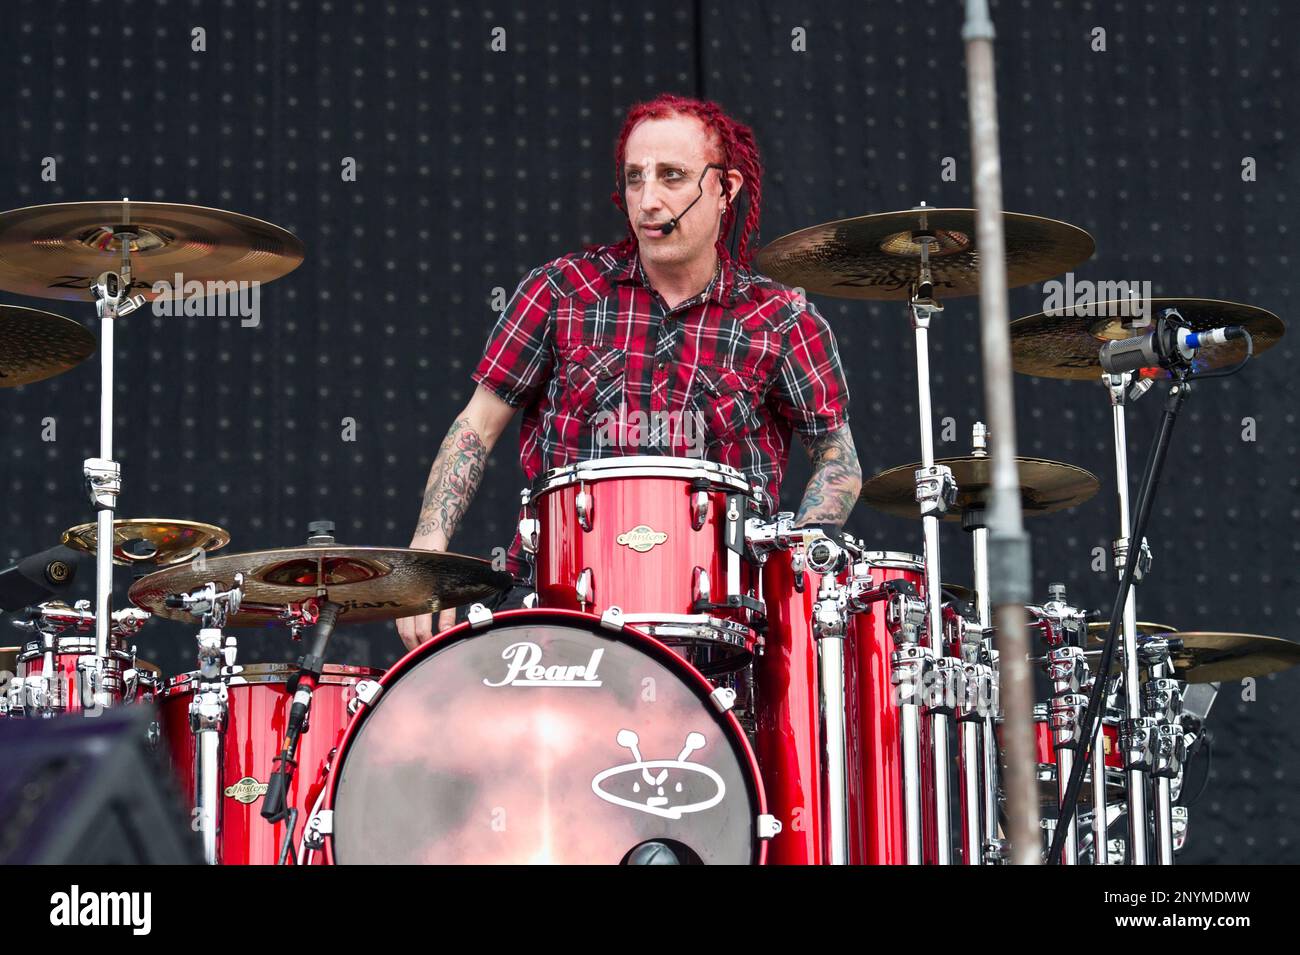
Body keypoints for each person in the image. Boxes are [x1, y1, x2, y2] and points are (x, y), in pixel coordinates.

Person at [396, 93, 861, 651]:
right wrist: (428, 550)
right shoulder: (560, 291)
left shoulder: (782, 317)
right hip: (559, 603)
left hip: (726, 621)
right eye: (635, 178)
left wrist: (796, 563)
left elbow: (839, 458)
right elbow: (477, 424)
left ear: (725, 189)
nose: (648, 200)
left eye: (672, 176)